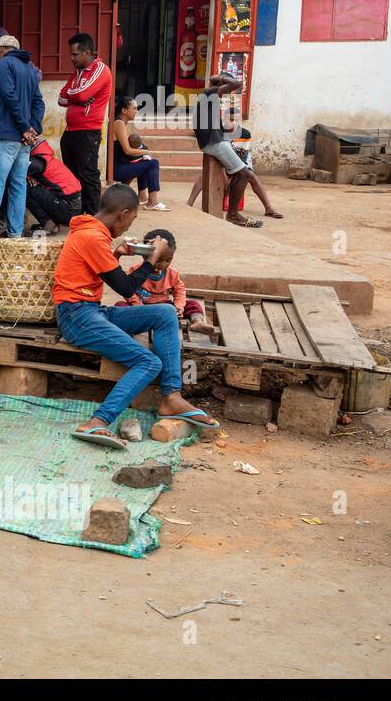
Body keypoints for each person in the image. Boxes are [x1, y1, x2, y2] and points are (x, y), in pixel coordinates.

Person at [53, 184, 220, 449]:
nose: (130, 226)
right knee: (149, 362)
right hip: (77, 316)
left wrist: (118, 253)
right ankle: (98, 421)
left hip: (92, 310)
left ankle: (171, 396)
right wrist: (151, 259)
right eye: (132, 219)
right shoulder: (93, 237)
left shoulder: (93, 231)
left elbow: (96, 269)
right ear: (123, 213)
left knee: (165, 312)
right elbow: (127, 288)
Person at [191, 74, 282, 227]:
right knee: (245, 174)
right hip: (214, 143)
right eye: (226, 90)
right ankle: (233, 214)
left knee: (242, 174)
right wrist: (222, 78)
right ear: (220, 86)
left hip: (216, 141)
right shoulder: (209, 93)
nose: (227, 95)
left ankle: (234, 213)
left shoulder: (209, 97)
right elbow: (236, 83)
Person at [0, 34, 42, 238]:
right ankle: (15, 233)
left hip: (6, 135)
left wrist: (24, 127)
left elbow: (8, 95)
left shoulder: (4, 63)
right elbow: (38, 102)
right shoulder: (31, 69)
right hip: (24, 141)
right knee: (18, 185)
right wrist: (33, 129)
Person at [115, 228, 218, 338]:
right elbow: (129, 292)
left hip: (165, 307)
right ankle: (132, 326)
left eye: (168, 260)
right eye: (158, 260)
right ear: (145, 256)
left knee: (192, 304)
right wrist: (138, 306)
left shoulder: (172, 273)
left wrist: (179, 307)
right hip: (142, 307)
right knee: (120, 306)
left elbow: (179, 290)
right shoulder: (136, 271)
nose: (163, 264)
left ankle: (197, 322)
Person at [58, 32, 113, 216]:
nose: (71, 58)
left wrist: (75, 96)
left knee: (88, 175)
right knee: (72, 176)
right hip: (71, 131)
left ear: (87, 52)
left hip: (88, 132)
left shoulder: (101, 69)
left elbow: (78, 94)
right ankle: (78, 214)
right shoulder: (77, 73)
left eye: (74, 54)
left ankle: (92, 217)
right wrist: (77, 99)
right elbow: (61, 98)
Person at [110, 95, 168, 211]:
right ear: (124, 110)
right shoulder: (119, 123)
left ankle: (142, 197)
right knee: (153, 163)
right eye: (135, 108)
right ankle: (152, 201)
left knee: (145, 160)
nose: (137, 111)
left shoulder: (122, 123)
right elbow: (128, 150)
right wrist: (147, 151)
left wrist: (143, 153)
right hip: (117, 170)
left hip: (120, 166)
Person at [25, 138, 81, 235]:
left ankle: (49, 225)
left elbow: (13, 172)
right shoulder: (44, 157)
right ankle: (49, 222)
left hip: (68, 208)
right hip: (71, 206)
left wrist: (27, 175)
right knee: (28, 185)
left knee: (24, 188)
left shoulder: (38, 161)